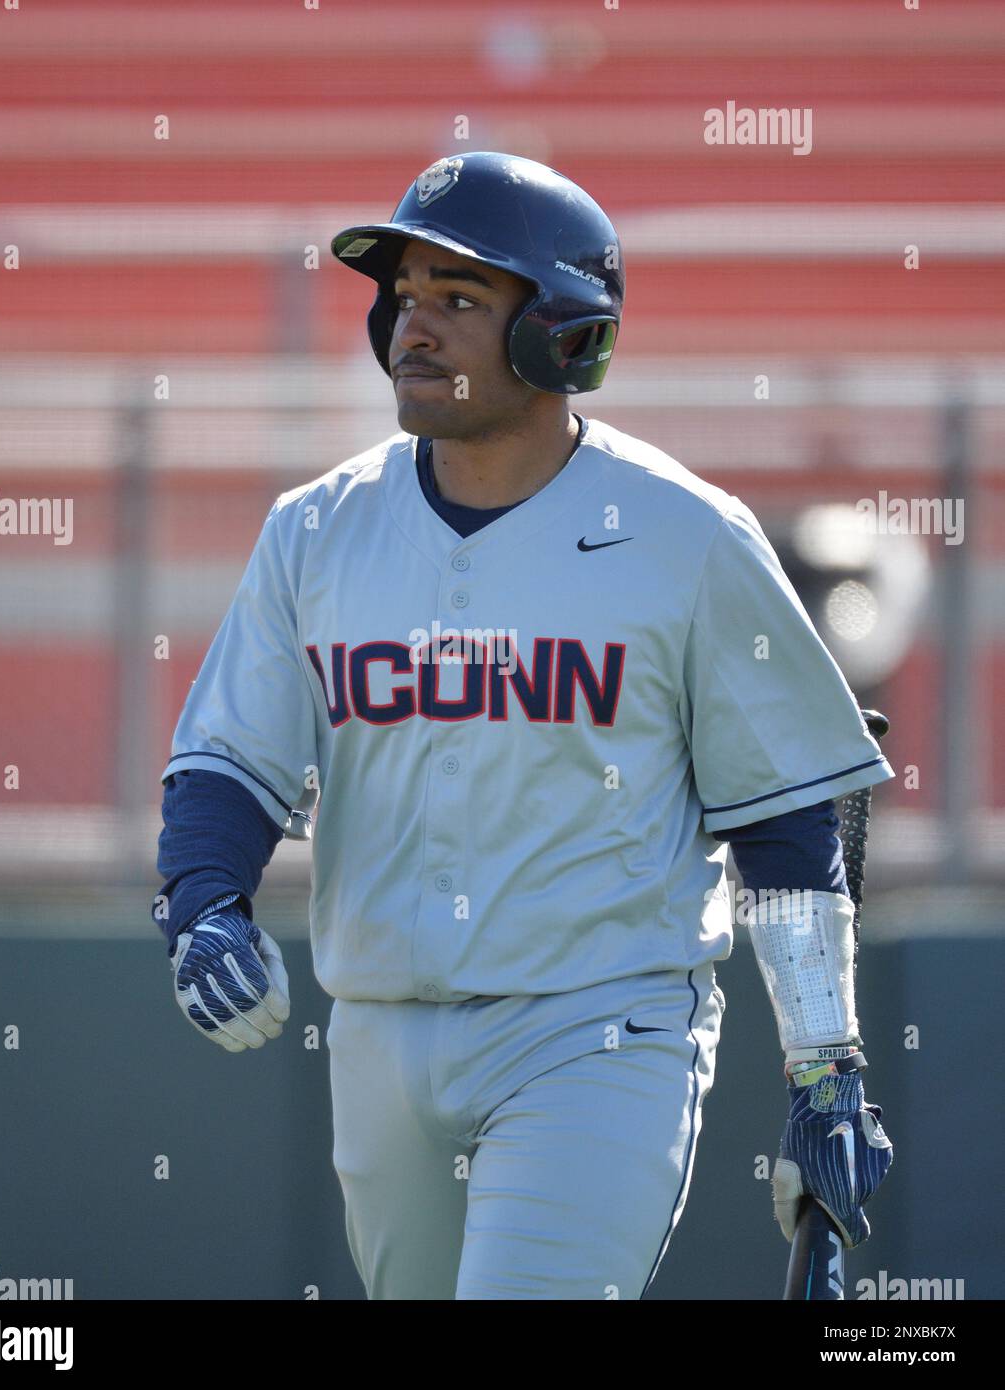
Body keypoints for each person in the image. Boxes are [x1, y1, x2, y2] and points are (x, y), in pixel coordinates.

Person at [154, 151, 894, 1301]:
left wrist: (825, 1069)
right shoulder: (316, 529)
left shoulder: (687, 533)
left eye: (460, 299)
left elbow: (788, 811)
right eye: (404, 296)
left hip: (600, 1026)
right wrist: (203, 902)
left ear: (562, 333)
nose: (414, 327)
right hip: (381, 1030)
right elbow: (229, 758)